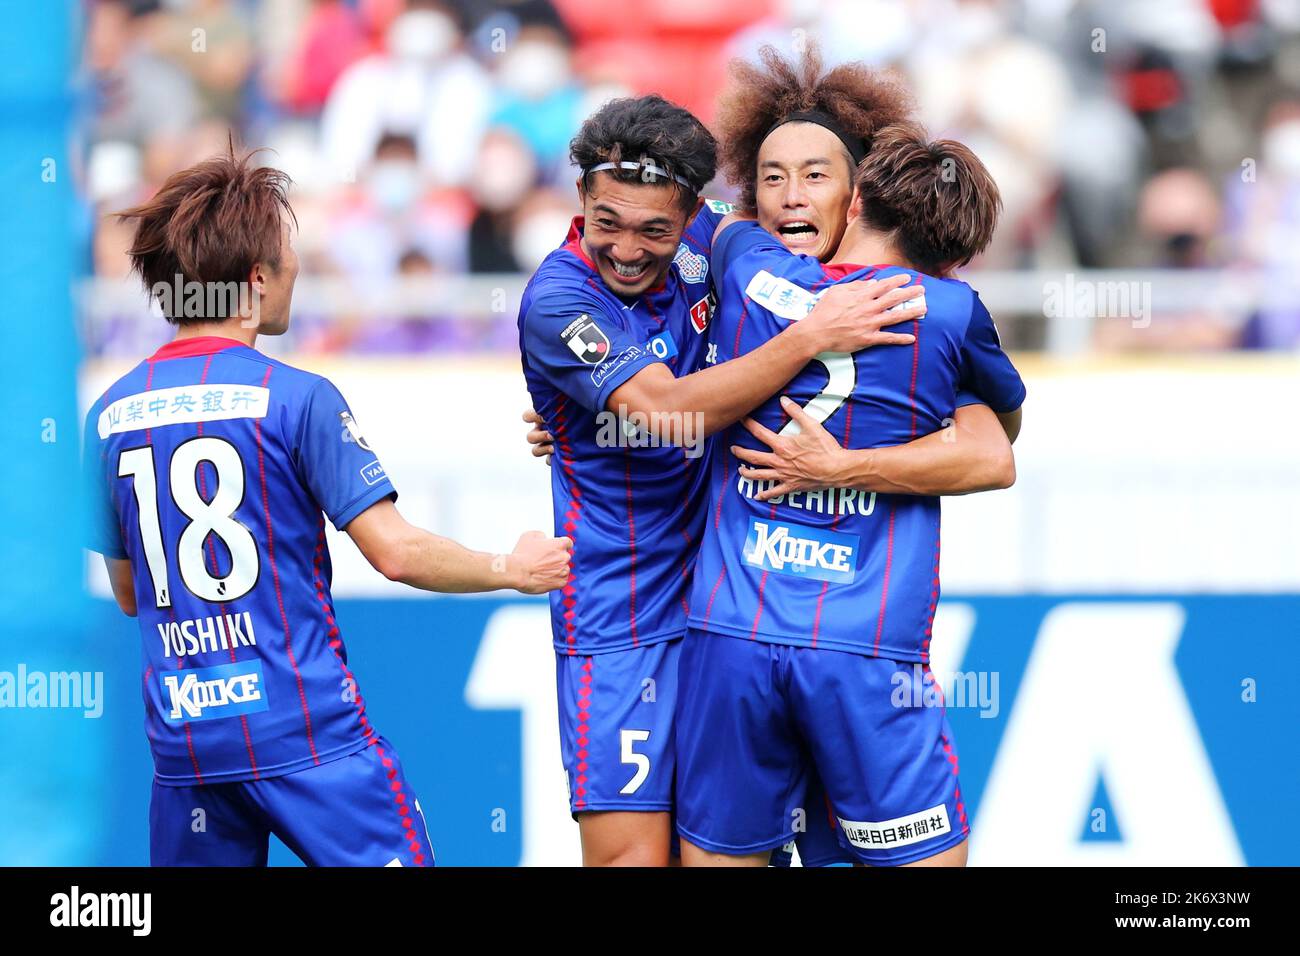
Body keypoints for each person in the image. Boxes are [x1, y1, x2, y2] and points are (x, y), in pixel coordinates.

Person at [83, 149, 572, 867]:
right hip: (305, 734)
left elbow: (132, 593)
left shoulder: (107, 413)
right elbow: (396, 553)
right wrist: (512, 567)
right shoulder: (297, 398)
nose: (297, 270)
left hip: (186, 747)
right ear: (254, 281)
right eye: (288, 258)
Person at [517, 94, 925, 867]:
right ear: (580, 199)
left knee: (751, 853)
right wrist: (812, 336)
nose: (628, 250)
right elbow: (671, 412)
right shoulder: (559, 300)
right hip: (622, 619)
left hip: (733, 608)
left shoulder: (719, 237)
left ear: (692, 213)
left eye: (654, 231)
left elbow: (809, 236)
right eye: (607, 222)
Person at [676, 122, 1025, 867]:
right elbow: (1001, 447)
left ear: (857, 196)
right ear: (955, 253)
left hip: (730, 624)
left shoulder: (745, 264)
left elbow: (716, 225)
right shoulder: (952, 312)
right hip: (864, 641)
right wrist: (853, 462)